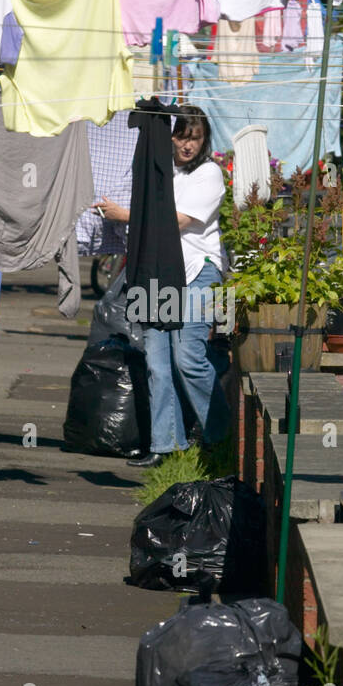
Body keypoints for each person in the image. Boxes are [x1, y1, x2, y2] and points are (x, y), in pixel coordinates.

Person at [94, 105, 229, 467]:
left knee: (188, 359)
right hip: (153, 271)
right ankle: (165, 443)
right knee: (156, 362)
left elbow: (177, 221)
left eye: (195, 138)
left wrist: (125, 214)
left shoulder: (210, 173)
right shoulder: (157, 170)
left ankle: (223, 437)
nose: (187, 145)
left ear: (204, 141)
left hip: (196, 272)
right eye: (181, 135)